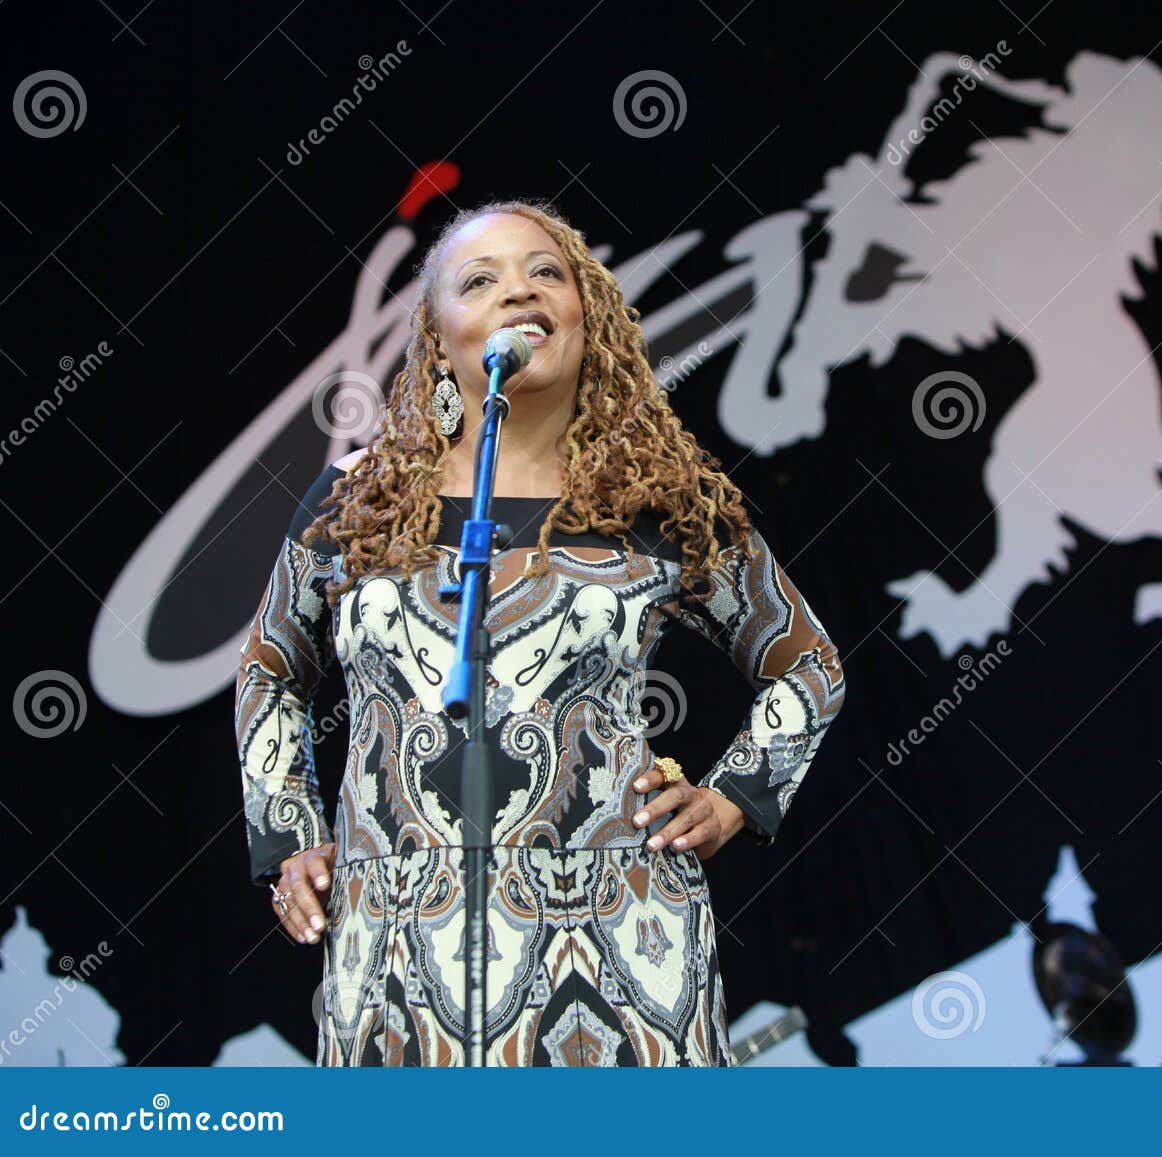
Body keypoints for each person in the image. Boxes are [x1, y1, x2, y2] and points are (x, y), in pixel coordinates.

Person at [233, 199, 847, 1066]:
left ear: (585, 312)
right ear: (437, 335)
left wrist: (732, 798)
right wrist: (289, 837)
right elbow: (270, 672)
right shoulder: (355, 498)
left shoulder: (656, 500)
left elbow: (808, 664)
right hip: (398, 967)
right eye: (480, 281)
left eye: (546, 272)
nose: (520, 292)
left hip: (622, 961)